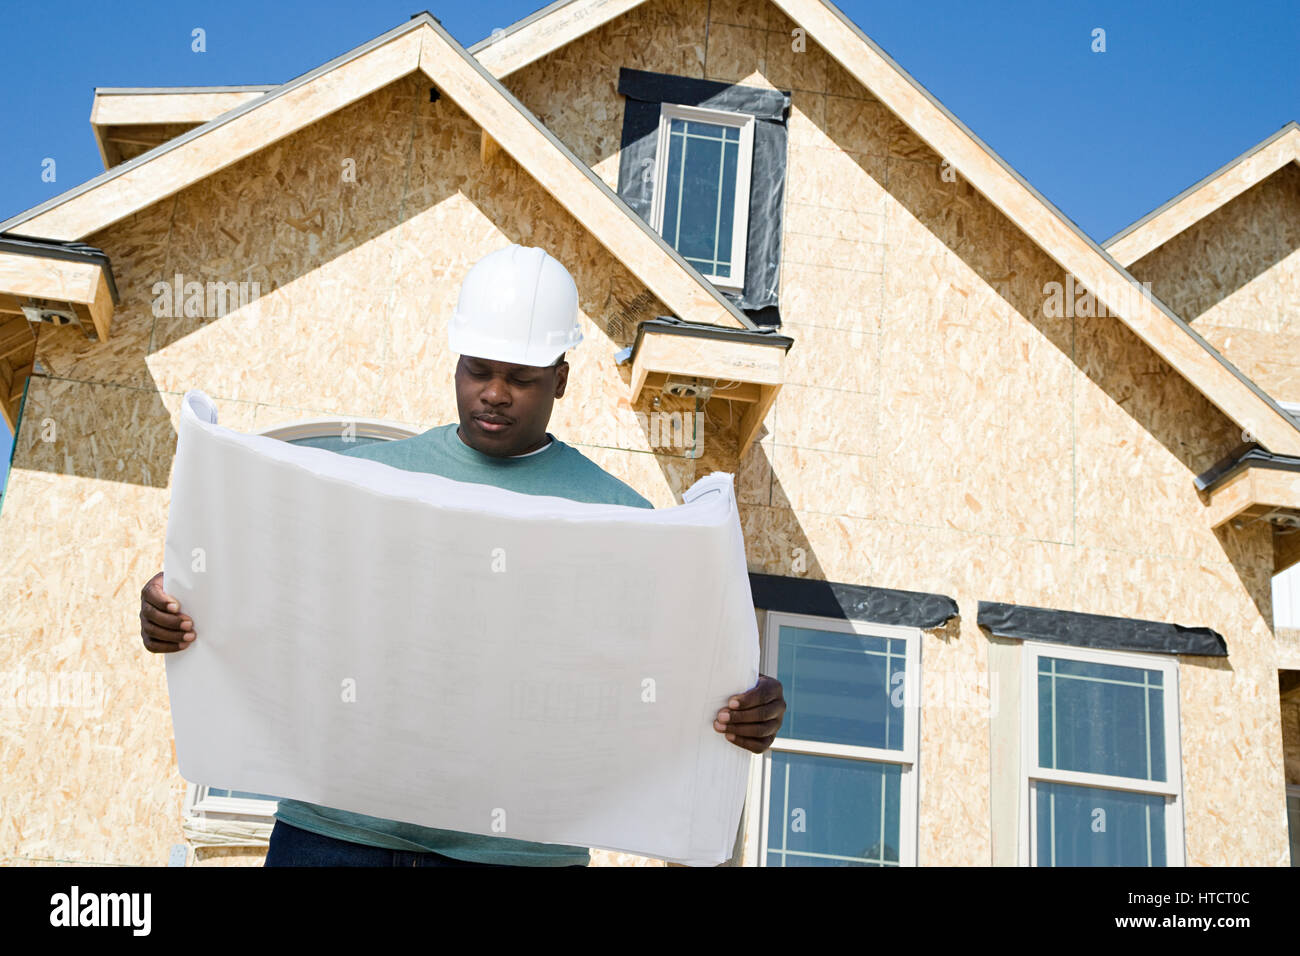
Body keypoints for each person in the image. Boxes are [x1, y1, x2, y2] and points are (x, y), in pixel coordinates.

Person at [138, 243, 786, 866]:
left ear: (561, 378)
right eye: (479, 369)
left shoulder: (622, 522)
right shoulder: (363, 479)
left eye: (522, 378)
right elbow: (261, 593)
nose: (495, 393)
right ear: (456, 362)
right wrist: (178, 601)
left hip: (515, 857)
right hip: (334, 834)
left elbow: (678, 675)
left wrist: (745, 703)